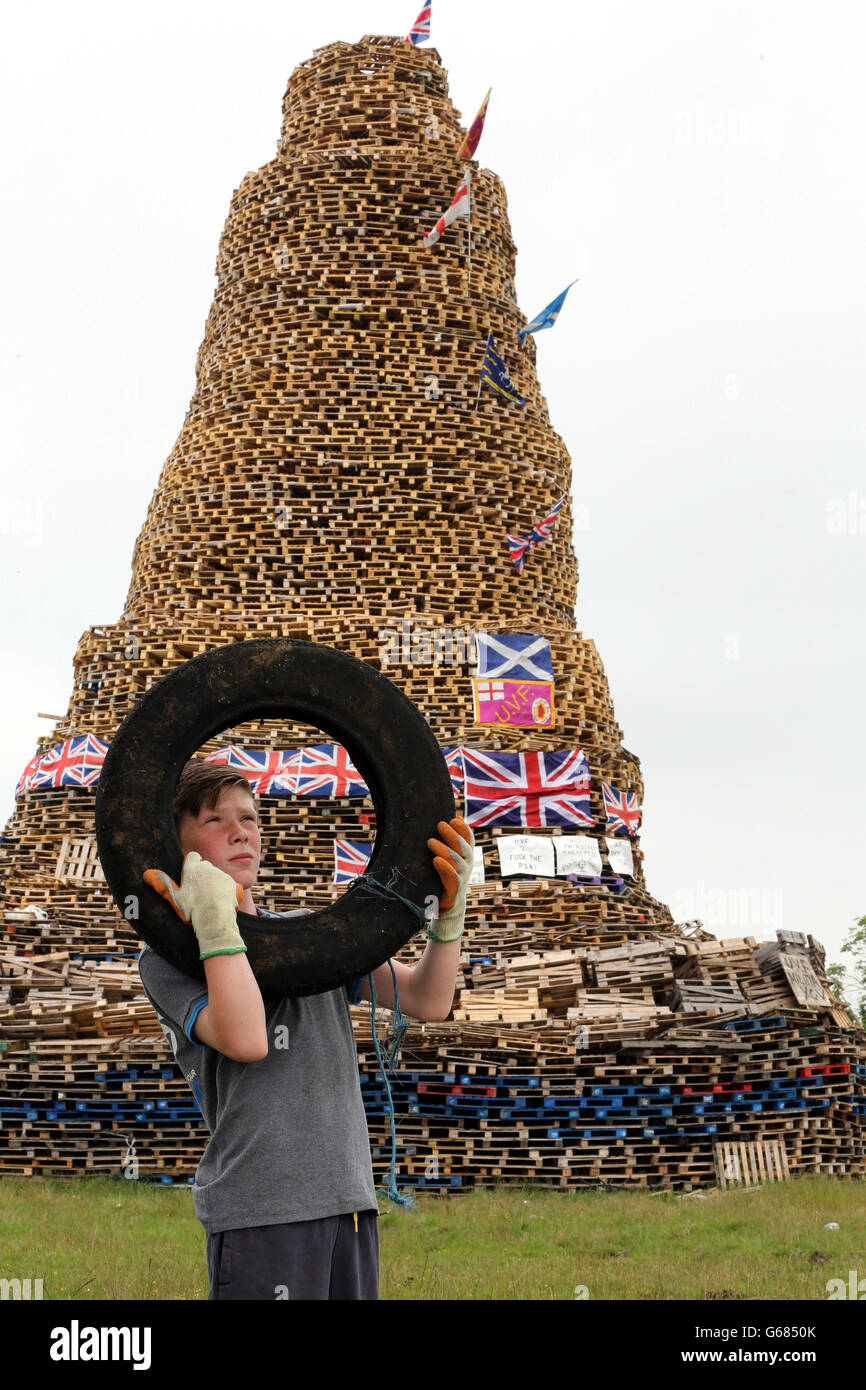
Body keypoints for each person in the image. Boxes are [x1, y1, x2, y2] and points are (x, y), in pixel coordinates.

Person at [137, 757, 474, 1301]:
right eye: (214, 821)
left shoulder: (309, 936)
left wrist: (448, 919)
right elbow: (248, 1040)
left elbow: (426, 1000)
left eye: (248, 818)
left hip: (350, 1200)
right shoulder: (169, 958)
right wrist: (216, 922)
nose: (240, 831)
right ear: (177, 845)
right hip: (263, 1208)